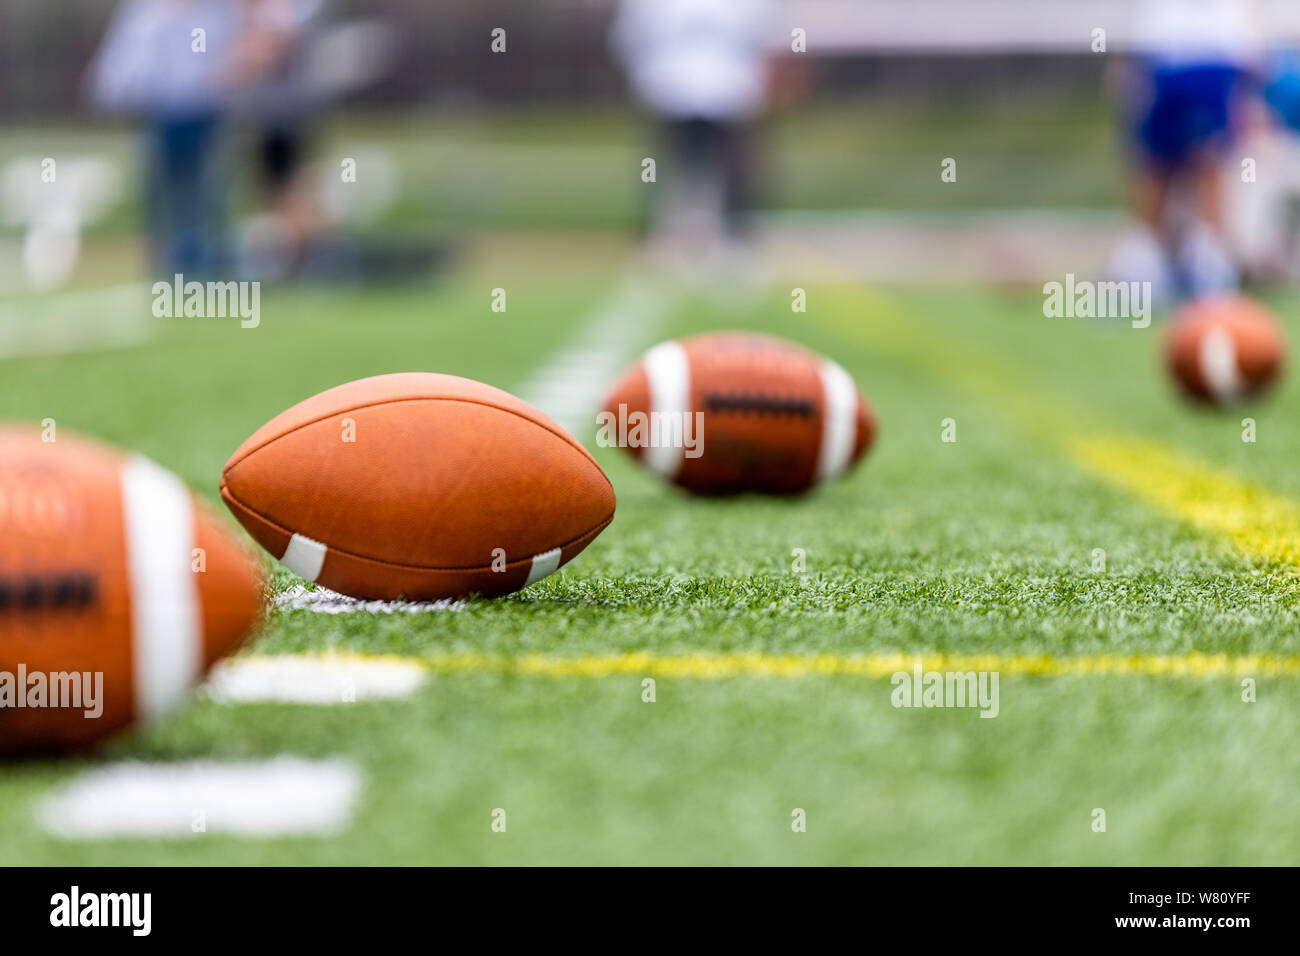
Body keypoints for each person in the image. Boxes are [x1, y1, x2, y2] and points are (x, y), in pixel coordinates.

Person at [1110, 0, 1264, 303]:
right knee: (1154, 167)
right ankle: (1145, 274)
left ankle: (1213, 277)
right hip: (1161, 54)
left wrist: (1250, 52)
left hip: (1213, 53)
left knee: (1210, 163)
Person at [609, 0, 778, 269]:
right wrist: (647, 78)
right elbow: (630, 39)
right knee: (663, 168)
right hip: (671, 90)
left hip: (729, 91)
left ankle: (735, 239)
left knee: (733, 168)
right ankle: (663, 237)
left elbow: (763, 38)